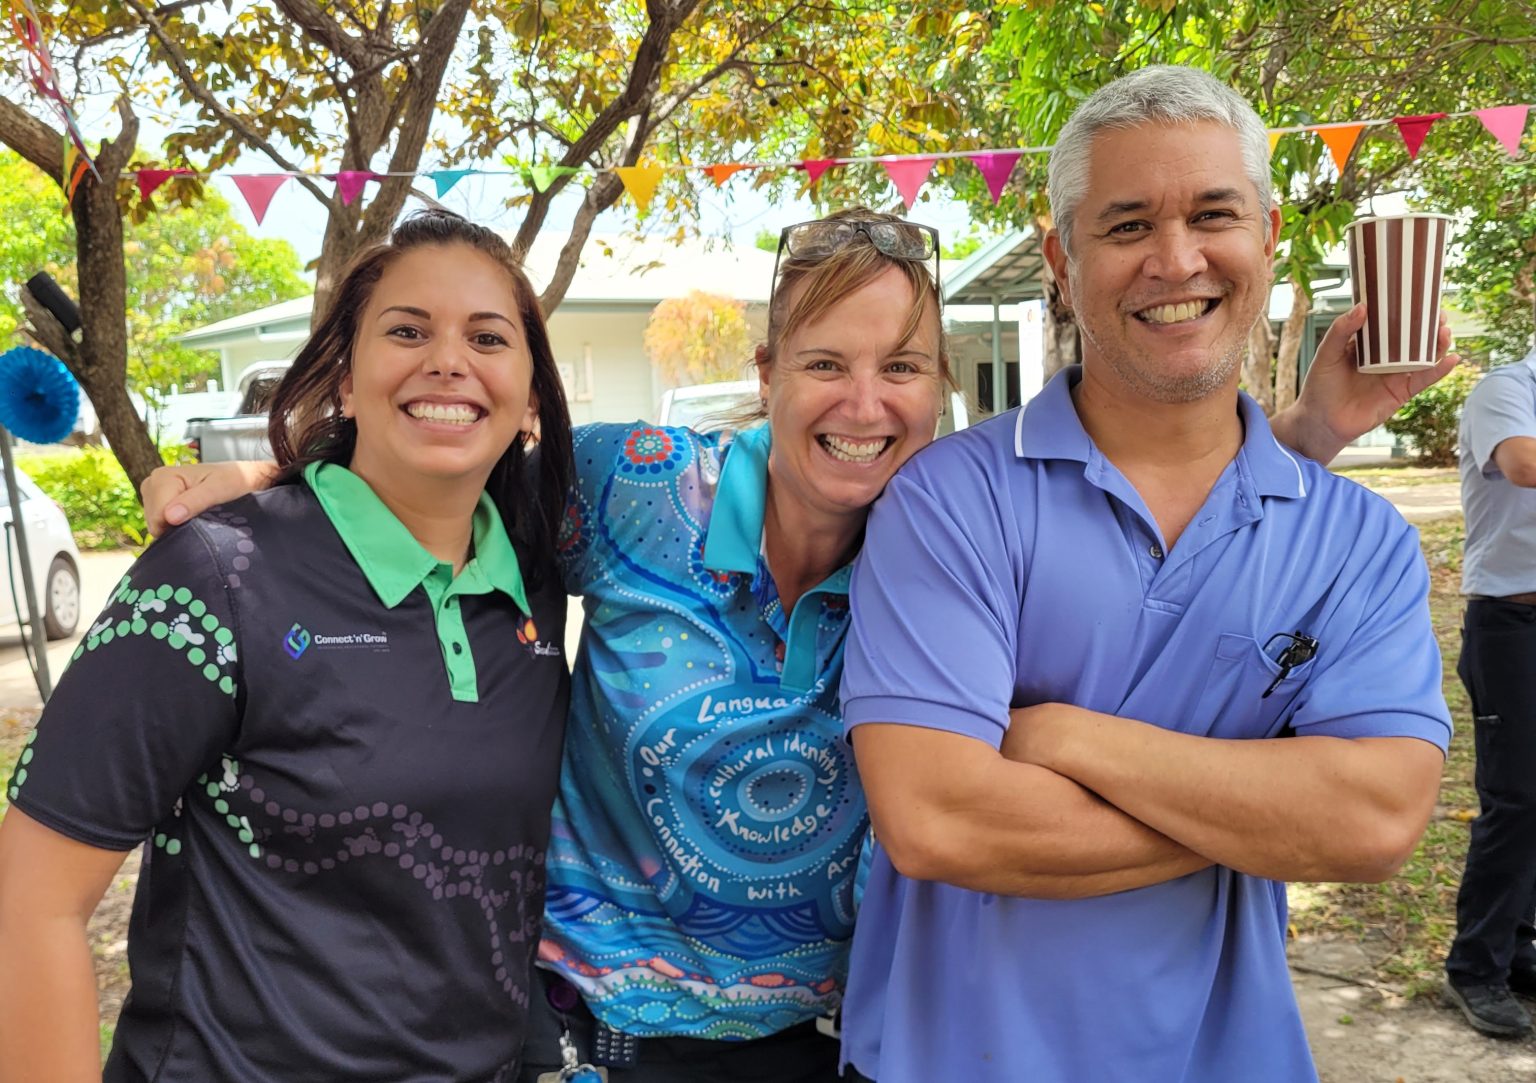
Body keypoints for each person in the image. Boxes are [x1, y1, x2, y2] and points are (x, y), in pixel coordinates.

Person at [139, 203, 1452, 1081]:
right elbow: (446, 488)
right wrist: (272, 480)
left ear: (943, 387)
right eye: (828, 361)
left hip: (829, 1040)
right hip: (595, 1031)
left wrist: (1313, 433)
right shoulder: (640, 483)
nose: (867, 404)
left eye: (905, 367)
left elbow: (1160, 525)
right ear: (767, 370)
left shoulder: (946, 539)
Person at [839, 65, 1454, 1083]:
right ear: (1061, 259)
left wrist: (1065, 736)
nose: (1176, 260)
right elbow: (938, 816)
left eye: (1214, 214)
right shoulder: (952, 500)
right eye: (1126, 226)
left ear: (1266, 235)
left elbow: (1375, 818)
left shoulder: (1355, 541)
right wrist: (1259, 816)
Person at [0, 209, 575, 1082]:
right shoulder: (213, 577)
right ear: (345, 379)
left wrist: (258, 466)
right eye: (407, 330)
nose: (448, 360)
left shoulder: (531, 573)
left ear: (531, 395)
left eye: (487, 336)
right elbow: (30, 900)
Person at [1443, 346, 1536, 1038]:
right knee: (1518, 796)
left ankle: (1521, 946)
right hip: (1513, 622)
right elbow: (1523, 465)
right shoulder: (1506, 389)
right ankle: (1476, 966)